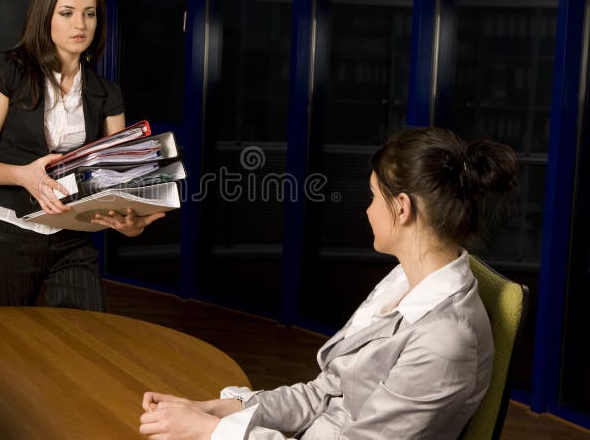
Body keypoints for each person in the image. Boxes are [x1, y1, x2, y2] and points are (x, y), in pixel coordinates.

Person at [139, 126, 518, 439]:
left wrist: (213, 431)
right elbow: (326, 393)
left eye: (373, 197)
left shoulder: (446, 342)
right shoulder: (405, 278)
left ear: (401, 208)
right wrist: (222, 410)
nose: (368, 209)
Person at [0, 0, 164, 310]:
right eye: (67, 13)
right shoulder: (7, 70)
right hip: (11, 231)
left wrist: (131, 221)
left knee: (82, 340)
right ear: (46, 18)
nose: (80, 25)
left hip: (72, 234)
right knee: (1, 340)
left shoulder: (106, 93)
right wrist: (23, 175)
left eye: (89, 14)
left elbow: (119, 179)